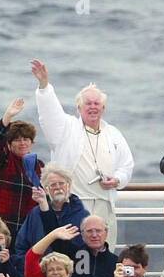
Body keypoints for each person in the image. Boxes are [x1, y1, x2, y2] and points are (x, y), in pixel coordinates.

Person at [31, 59, 134, 247]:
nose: (93, 107)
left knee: (105, 253)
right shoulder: (66, 128)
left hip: (104, 204)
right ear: (79, 107)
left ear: (103, 108)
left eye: (97, 103)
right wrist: (44, 85)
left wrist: (117, 180)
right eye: (88, 103)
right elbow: (50, 114)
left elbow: (126, 166)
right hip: (74, 204)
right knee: (73, 254)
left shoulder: (114, 134)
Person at [0, 99, 43, 240]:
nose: (23, 143)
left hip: (31, 228)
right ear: (9, 143)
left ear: (32, 142)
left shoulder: (40, 166)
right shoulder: (5, 161)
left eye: (26, 139)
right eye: (18, 140)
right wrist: (7, 118)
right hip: (6, 229)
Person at [12, 167, 87, 262]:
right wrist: (27, 267)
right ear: (46, 190)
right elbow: (21, 246)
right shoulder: (35, 214)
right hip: (38, 270)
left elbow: (85, 250)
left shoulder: (82, 215)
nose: (58, 187)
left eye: (61, 183)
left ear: (69, 186)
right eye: (53, 185)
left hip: (69, 271)